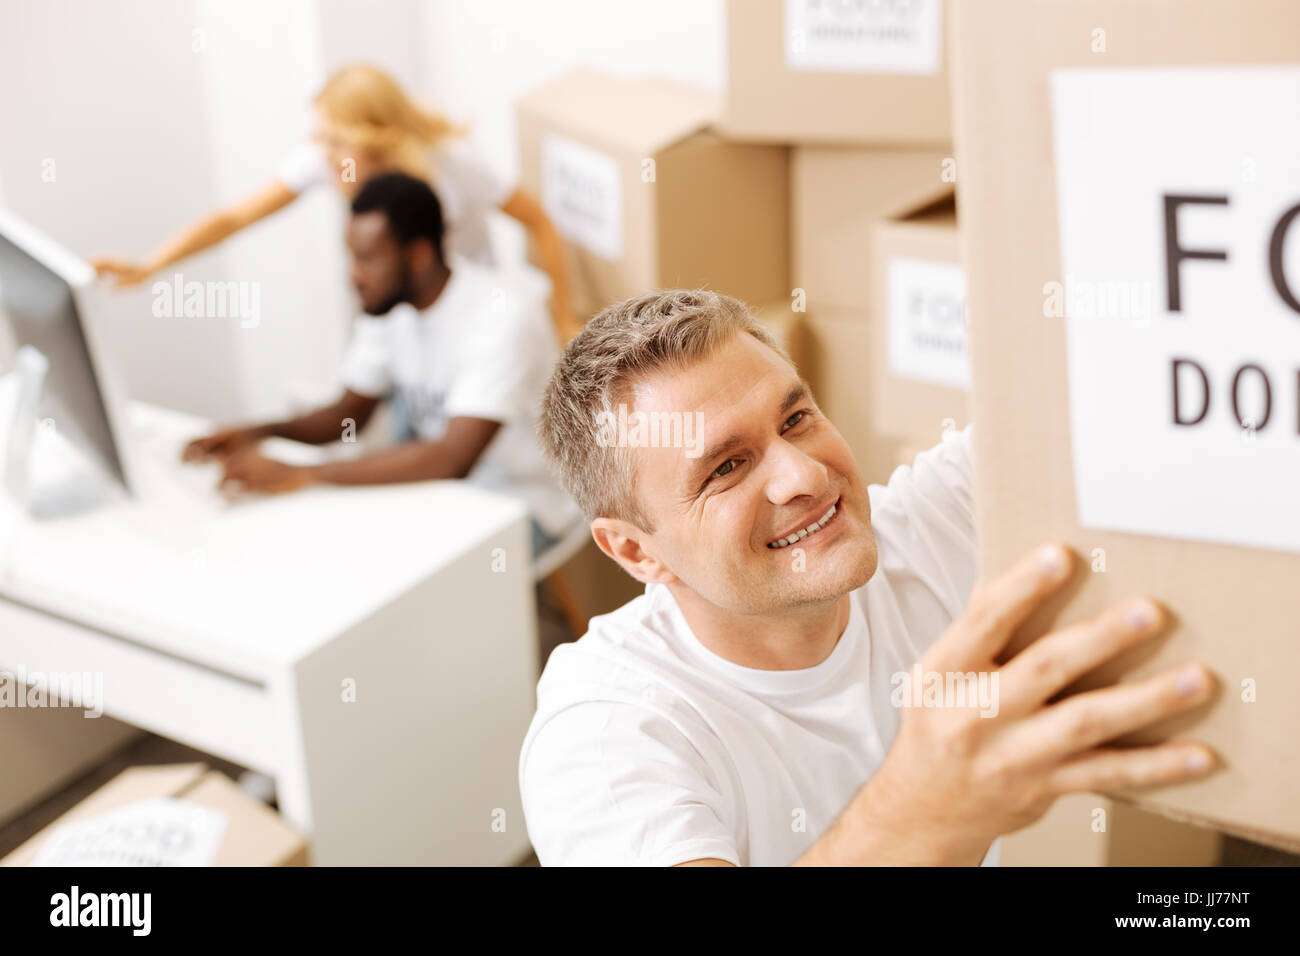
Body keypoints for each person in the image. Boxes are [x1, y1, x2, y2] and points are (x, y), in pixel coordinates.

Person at [519, 289, 1218, 866]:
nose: (805, 475)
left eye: (795, 419)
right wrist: (924, 809)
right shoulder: (603, 734)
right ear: (637, 553)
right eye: (726, 468)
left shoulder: (931, 521)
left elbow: (1115, 379)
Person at [182, 171, 579, 559]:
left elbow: (452, 458)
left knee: (384, 573)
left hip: (523, 503)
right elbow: (348, 414)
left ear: (419, 255)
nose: (354, 276)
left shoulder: (501, 315)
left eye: (367, 259)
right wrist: (258, 432)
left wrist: (304, 474)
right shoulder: (389, 306)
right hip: (441, 492)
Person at [91, 64, 579, 341]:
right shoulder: (328, 162)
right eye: (320, 139)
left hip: (469, 317)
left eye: (337, 140)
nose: (323, 156)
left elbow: (538, 219)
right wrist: (150, 266)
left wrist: (562, 316)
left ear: (378, 139)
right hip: (403, 323)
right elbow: (234, 218)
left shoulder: (450, 163)